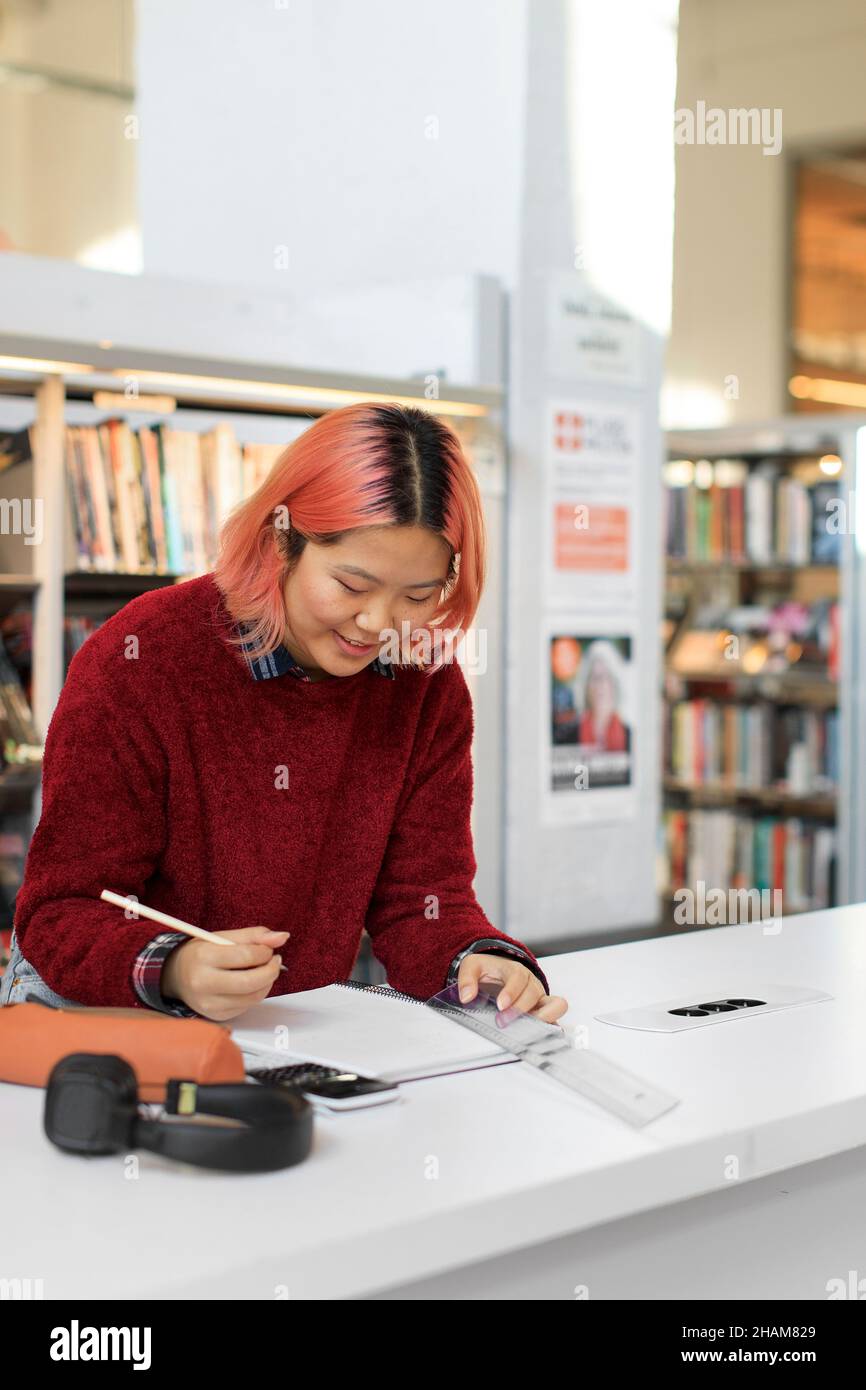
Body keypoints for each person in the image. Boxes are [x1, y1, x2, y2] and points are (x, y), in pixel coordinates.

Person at [0, 402, 567, 1024]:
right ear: (280, 537)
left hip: (284, 1031)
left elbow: (422, 903)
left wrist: (474, 963)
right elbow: (63, 911)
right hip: (100, 1021)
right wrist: (177, 967)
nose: (379, 624)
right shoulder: (143, 657)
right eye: (352, 586)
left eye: (418, 596)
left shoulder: (423, 679)